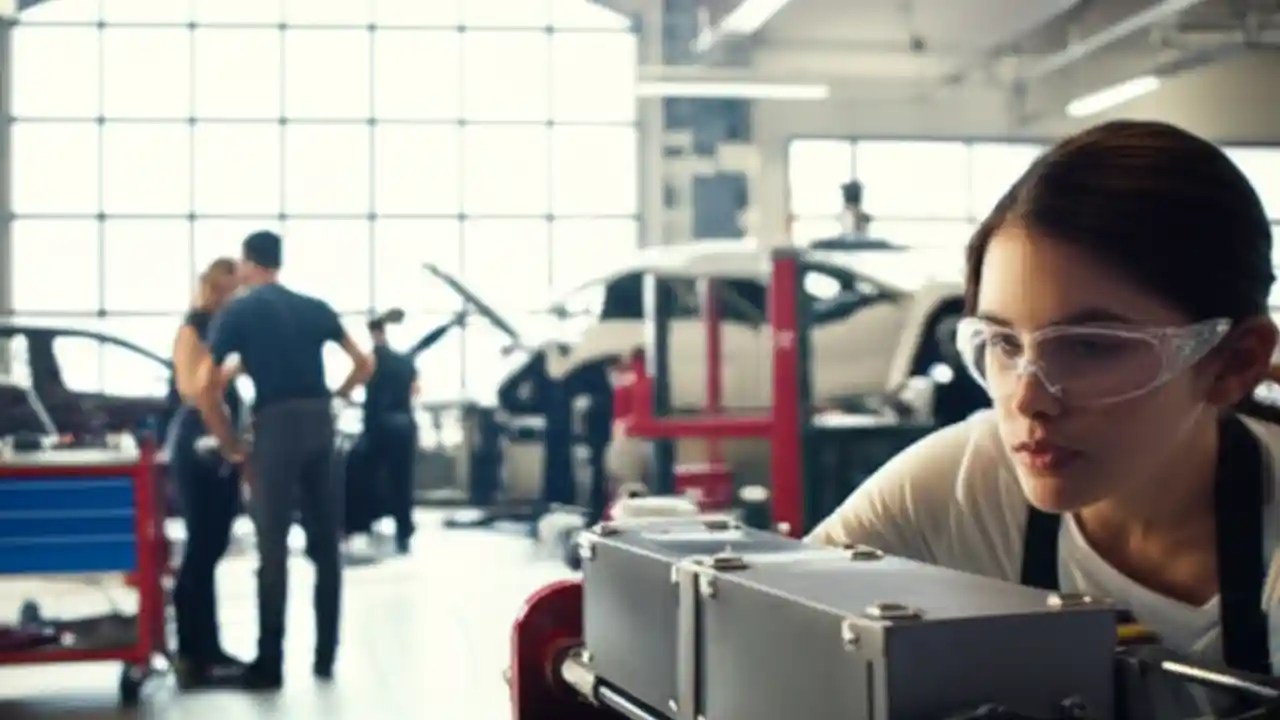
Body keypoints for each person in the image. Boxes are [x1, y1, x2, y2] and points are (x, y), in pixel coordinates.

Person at [807, 121, 1279, 680]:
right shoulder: (961, 486)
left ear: (1233, 363)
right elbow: (767, 633)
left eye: (1089, 346)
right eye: (1004, 343)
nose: (1030, 399)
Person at [196, 231, 372, 690]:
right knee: (325, 545)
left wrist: (230, 439)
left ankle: (270, 663)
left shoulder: (240, 311)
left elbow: (203, 383)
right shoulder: (313, 306)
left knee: (272, 546)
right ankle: (324, 658)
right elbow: (363, 362)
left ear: (248, 263)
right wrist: (340, 394)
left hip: (274, 426)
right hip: (319, 422)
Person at [167, 257, 246, 689]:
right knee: (201, 548)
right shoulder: (194, 327)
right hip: (199, 442)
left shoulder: (219, 332)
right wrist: (232, 447)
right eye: (234, 292)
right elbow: (198, 390)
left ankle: (207, 648)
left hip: (212, 441)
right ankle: (193, 652)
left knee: (210, 548)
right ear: (219, 290)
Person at [355, 311, 419, 553]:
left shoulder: (370, 360)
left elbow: (356, 383)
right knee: (403, 479)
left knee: (368, 475)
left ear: (374, 333)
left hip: (379, 426)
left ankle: (366, 522)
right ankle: (404, 530)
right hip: (404, 424)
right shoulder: (406, 362)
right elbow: (414, 391)